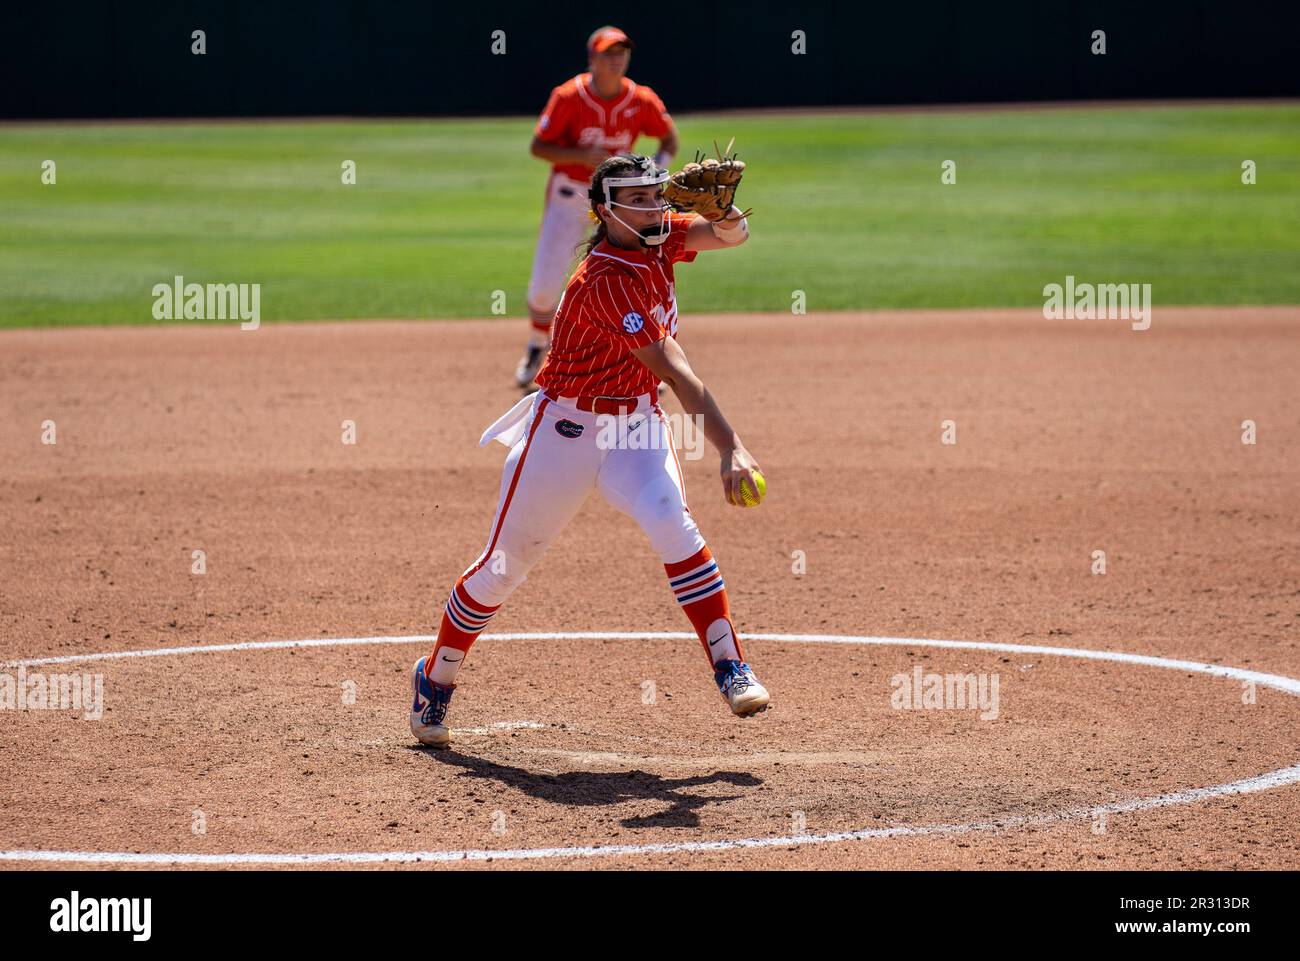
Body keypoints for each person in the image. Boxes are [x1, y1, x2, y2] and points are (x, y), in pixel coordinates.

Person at [413, 153, 766, 748]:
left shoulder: (661, 239)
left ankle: (730, 664)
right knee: (505, 568)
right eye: (638, 199)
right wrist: (731, 448)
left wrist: (725, 209)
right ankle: (436, 675)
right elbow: (676, 372)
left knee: (671, 523)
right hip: (565, 433)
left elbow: (734, 234)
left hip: (637, 429)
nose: (654, 206)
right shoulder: (600, 282)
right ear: (606, 211)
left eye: (656, 195)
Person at [515, 25, 679, 389]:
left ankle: (652, 358)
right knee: (545, 286)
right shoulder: (569, 96)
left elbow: (669, 138)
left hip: (621, 201)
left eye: (621, 53)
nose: (616, 59)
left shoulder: (642, 99)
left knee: (633, 275)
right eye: (608, 53)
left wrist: (652, 171)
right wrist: (578, 154)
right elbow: (539, 147)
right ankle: (537, 345)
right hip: (571, 192)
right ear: (593, 59)